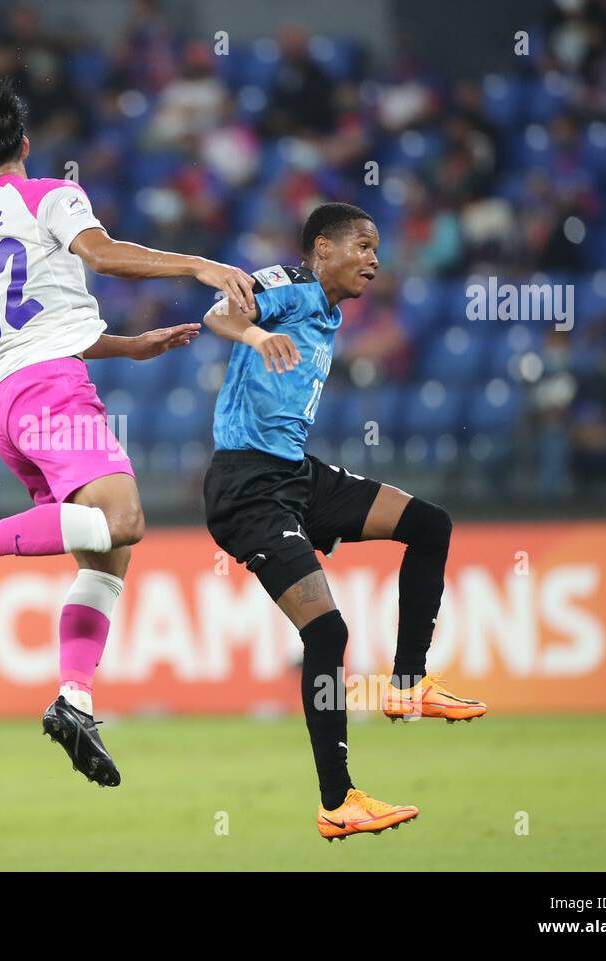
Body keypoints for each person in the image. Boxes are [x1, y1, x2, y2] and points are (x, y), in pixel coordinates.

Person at [0, 77, 255, 787]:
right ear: (28, 147)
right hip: (53, 393)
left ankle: (74, 700)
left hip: (12, 401)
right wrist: (198, 263)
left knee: (105, 556)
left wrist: (127, 346)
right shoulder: (49, 197)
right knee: (123, 519)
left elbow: (40, 326)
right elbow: (100, 254)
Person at [201, 202, 486, 840]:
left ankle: (407, 685)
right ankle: (338, 801)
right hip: (248, 486)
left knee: (430, 524)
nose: (373, 259)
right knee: (328, 634)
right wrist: (256, 335)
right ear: (321, 249)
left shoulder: (329, 311)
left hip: (295, 474)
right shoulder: (292, 288)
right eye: (361, 245)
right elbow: (218, 313)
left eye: (376, 248)